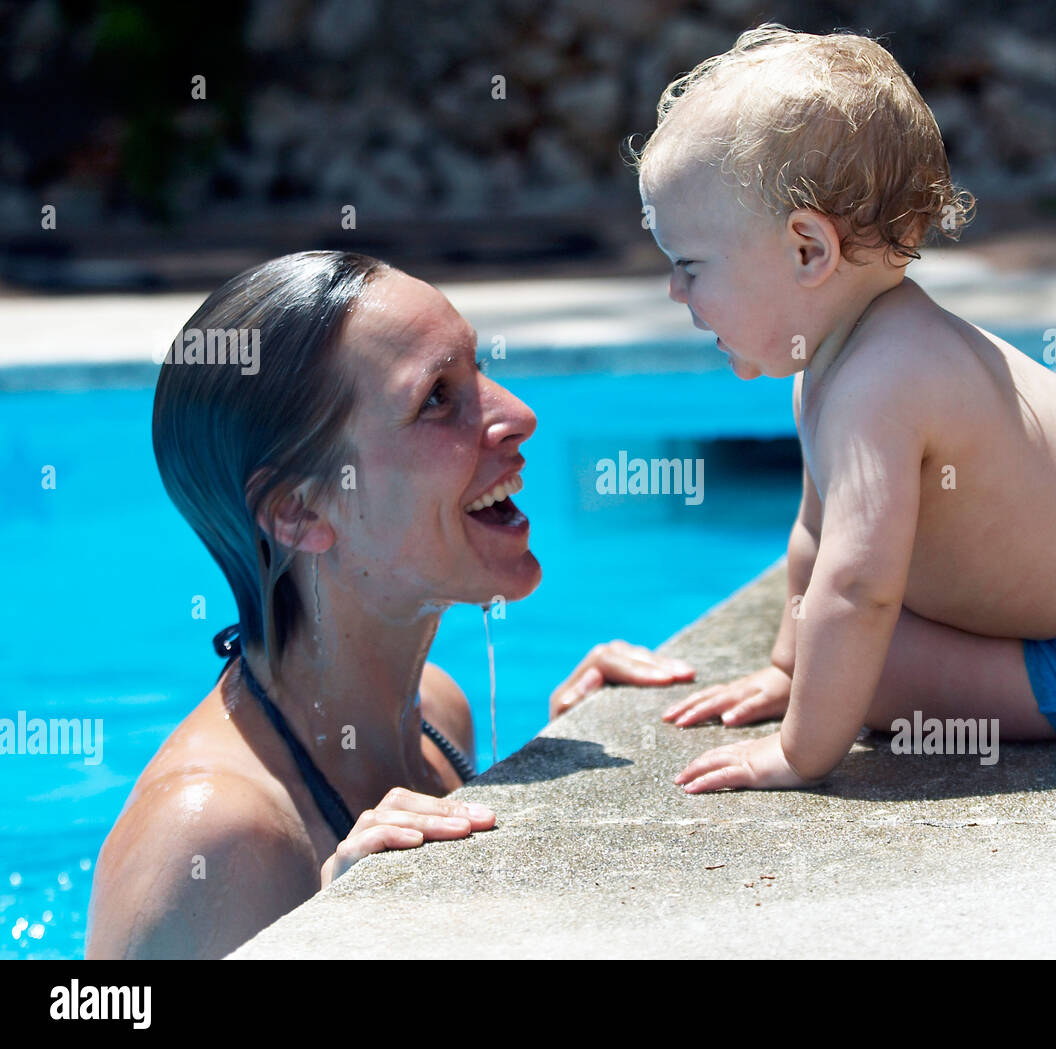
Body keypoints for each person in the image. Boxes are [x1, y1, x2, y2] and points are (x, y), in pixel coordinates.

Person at [632, 25, 1056, 793]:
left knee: (871, 668)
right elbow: (815, 533)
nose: (675, 291)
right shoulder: (854, 357)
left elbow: (857, 587)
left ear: (807, 251)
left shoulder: (880, 385)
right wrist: (786, 668)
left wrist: (801, 749)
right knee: (836, 650)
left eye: (689, 265)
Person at [85, 251, 695, 958]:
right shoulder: (212, 836)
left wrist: (552, 761)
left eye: (477, 371)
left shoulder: (437, 713)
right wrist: (334, 940)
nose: (518, 415)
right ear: (296, 509)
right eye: (437, 397)